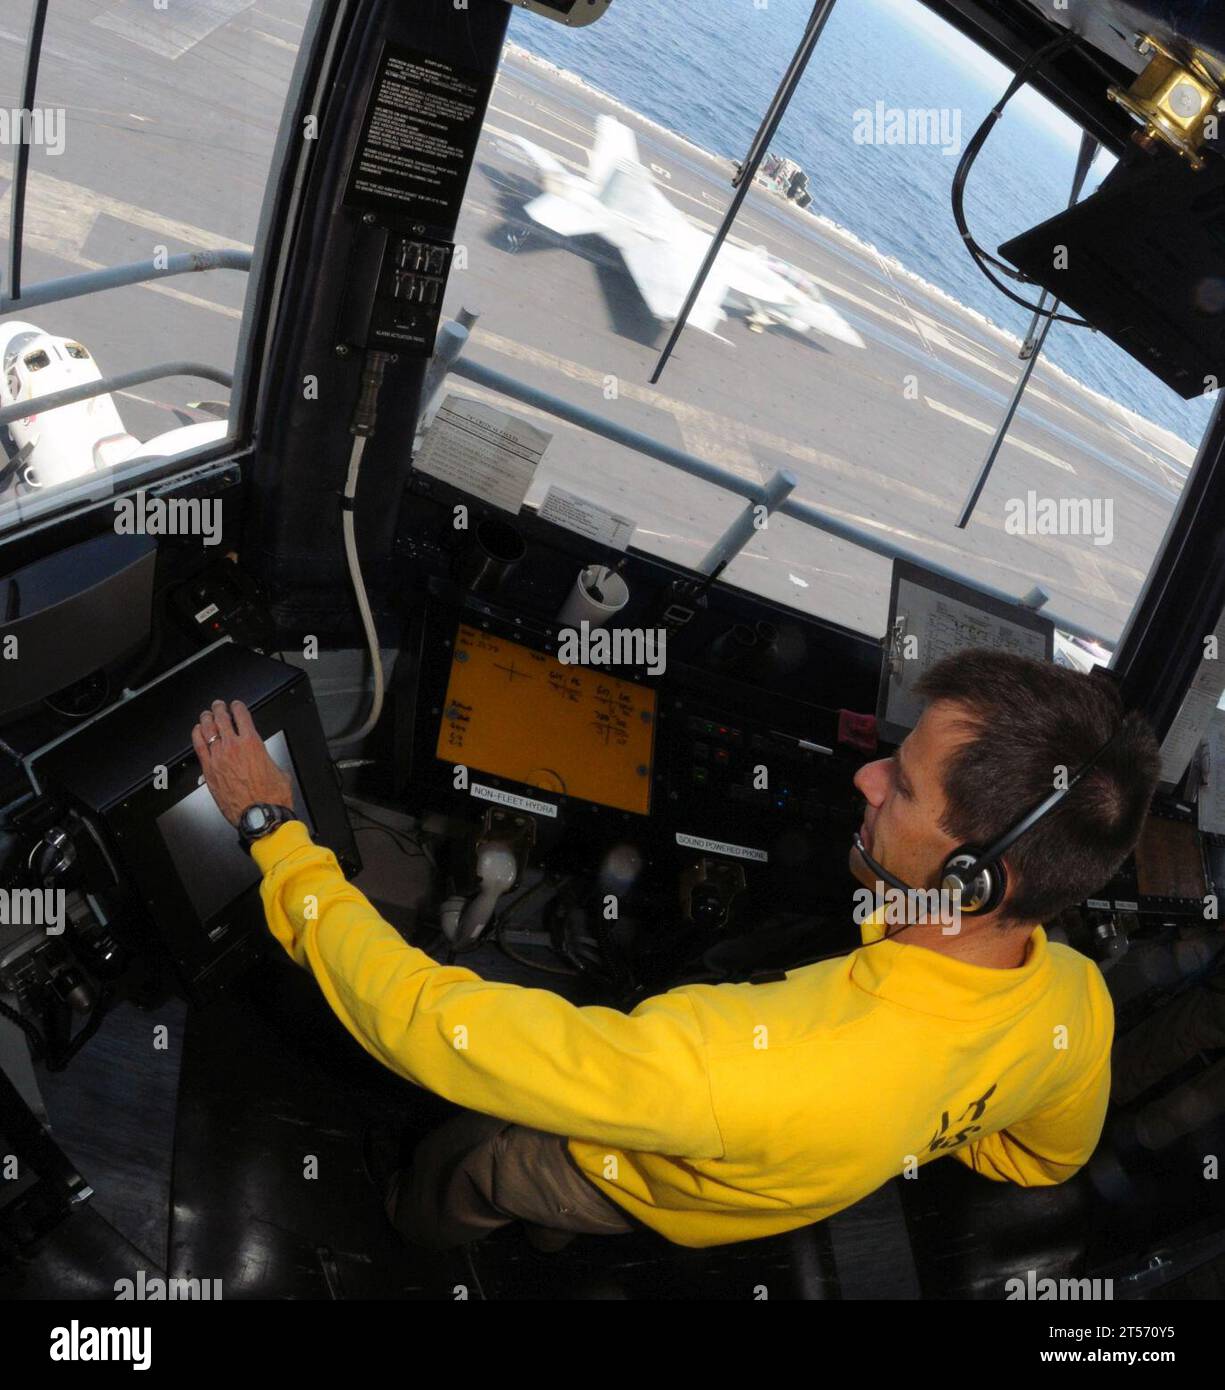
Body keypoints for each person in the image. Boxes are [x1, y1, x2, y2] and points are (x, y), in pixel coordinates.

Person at [190, 650, 1160, 1251]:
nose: (863, 775)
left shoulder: (725, 1066)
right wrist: (915, 1123)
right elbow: (1036, 1159)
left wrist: (275, 830)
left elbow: (425, 1022)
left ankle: (412, 1222)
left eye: (899, 788)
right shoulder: (1075, 1001)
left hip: (628, 1173)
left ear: (973, 879)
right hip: (751, 1171)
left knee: (479, 1160)